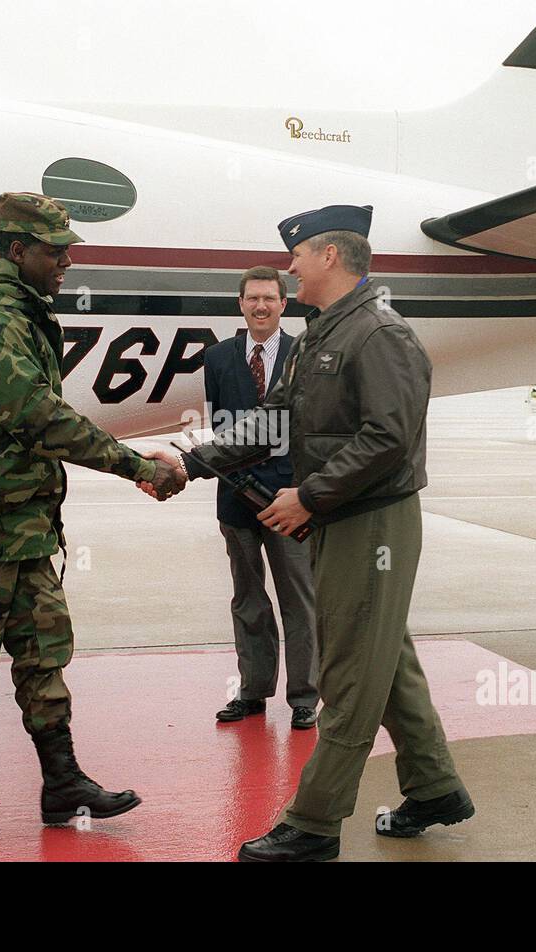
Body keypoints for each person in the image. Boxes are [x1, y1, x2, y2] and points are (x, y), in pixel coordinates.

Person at [151, 205, 474, 862]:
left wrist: (310, 496)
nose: (289, 266)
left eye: (297, 255)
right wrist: (189, 462)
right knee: (386, 657)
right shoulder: (327, 335)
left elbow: (389, 438)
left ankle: (315, 824)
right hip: (343, 517)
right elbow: (271, 423)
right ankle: (435, 787)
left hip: (371, 519)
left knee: (348, 672)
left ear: (329, 257)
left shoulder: (379, 335)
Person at [0, 192, 185, 831]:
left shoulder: (17, 312)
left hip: (14, 526)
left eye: (69, 250)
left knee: (42, 649)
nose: (67, 263)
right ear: (18, 251)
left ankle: (63, 784)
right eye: (56, 251)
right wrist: (138, 467)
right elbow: (37, 418)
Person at [206, 266, 319, 729]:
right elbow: (221, 431)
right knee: (248, 599)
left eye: (269, 298)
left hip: (289, 499)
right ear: (241, 303)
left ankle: (304, 697)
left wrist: (294, 488)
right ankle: (252, 691)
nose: (260, 306)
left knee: (299, 599)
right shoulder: (217, 358)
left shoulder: (304, 353)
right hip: (236, 500)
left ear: (283, 304)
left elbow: (308, 428)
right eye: (252, 298)